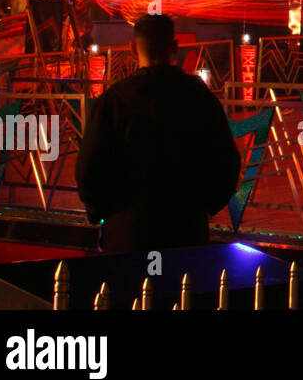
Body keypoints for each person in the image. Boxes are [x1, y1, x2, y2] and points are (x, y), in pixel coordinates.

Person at [76, 14, 241, 254]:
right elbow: (227, 162)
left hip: (128, 234)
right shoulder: (198, 97)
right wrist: (204, 206)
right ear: (174, 47)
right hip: (185, 231)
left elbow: (88, 171)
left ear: (133, 48)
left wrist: (106, 213)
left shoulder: (113, 101)